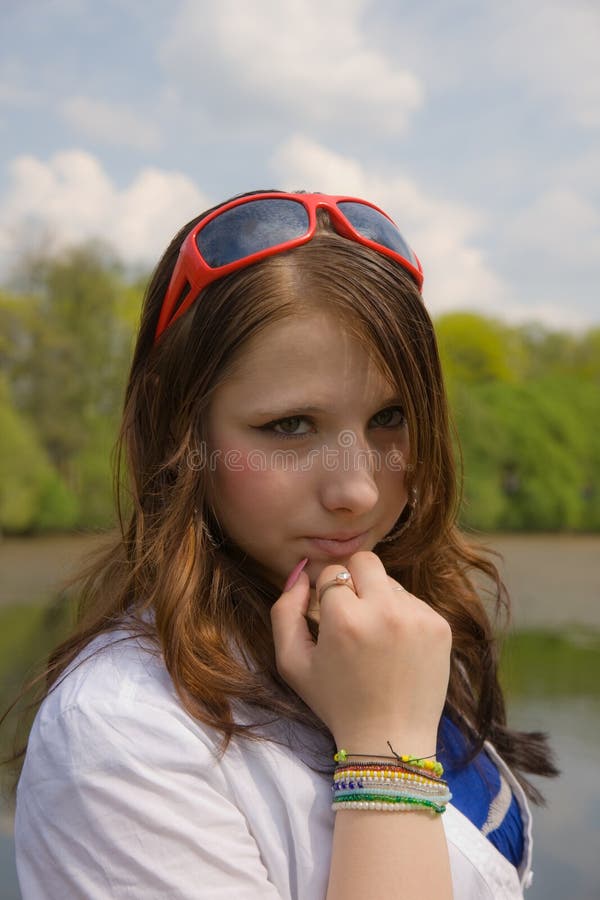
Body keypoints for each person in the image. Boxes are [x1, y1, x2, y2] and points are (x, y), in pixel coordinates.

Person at [13, 191, 557, 899]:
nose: (357, 490)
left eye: (390, 418)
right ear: (177, 431)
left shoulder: (376, 628)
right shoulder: (125, 737)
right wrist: (383, 756)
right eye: (290, 426)